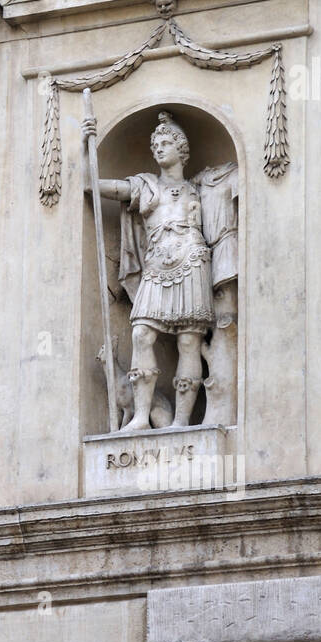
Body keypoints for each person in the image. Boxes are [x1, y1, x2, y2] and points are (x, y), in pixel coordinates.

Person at [86, 112, 234, 430]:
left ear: (182, 149)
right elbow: (111, 187)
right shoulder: (147, 185)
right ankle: (141, 416)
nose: (159, 149)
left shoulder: (200, 186)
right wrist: (88, 160)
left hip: (193, 258)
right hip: (157, 262)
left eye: (166, 142)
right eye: (155, 145)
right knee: (141, 333)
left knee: (188, 342)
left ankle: (181, 422)